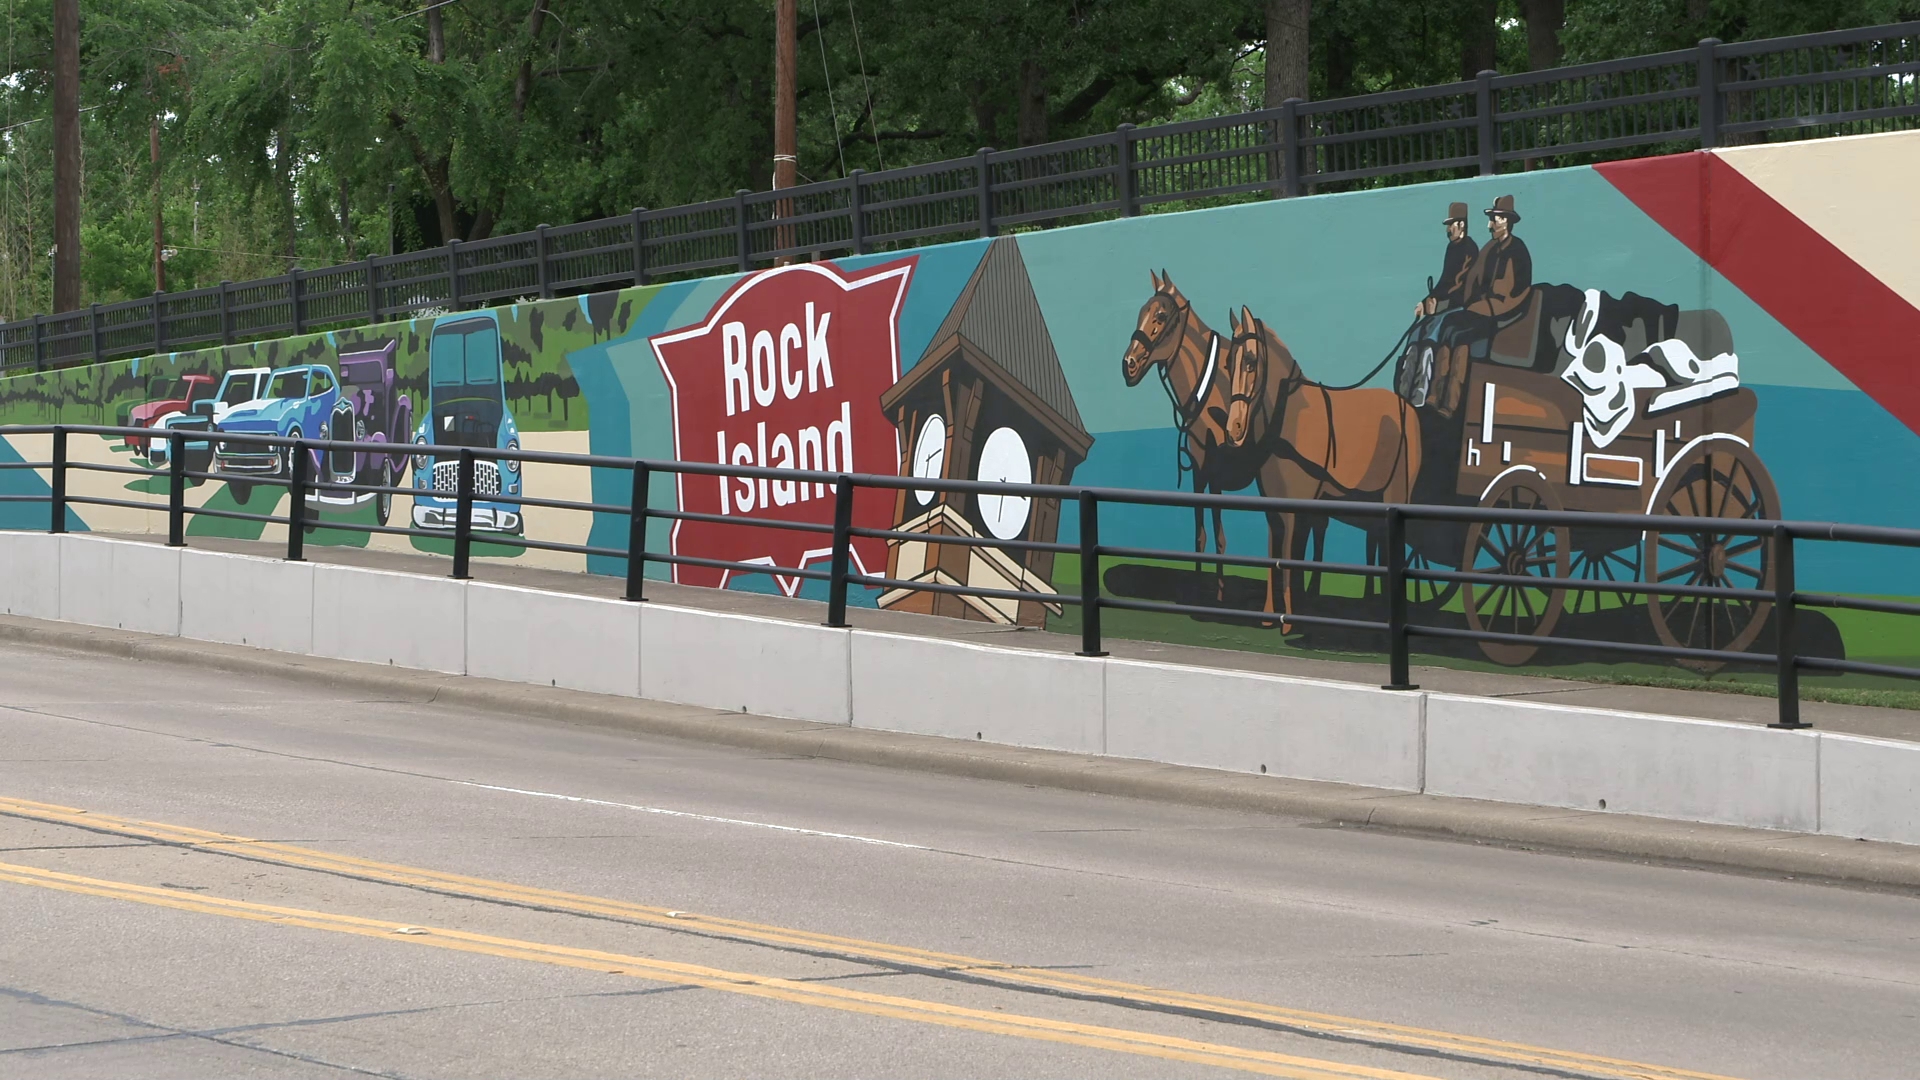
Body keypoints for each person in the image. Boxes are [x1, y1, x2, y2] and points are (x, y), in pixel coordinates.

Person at [1429, 194, 1532, 417]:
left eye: (1494, 219)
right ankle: (1434, 396)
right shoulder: (1490, 249)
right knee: (1447, 326)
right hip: (1484, 308)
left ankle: (1451, 403)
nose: (1490, 225)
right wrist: (1472, 303)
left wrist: (1480, 306)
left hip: (1503, 313)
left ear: (1506, 221)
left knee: (1460, 334)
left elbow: (1510, 294)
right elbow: (1473, 281)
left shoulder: (1517, 250)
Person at [1413, 202, 1478, 319]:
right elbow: (1445, 280)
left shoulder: (1470, 248)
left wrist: (1438, 305)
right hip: (1447, 304)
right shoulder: (1452, 248)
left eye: (1451, 225)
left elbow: (1461, 285)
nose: (1448, 230)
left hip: (1462, 306)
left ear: (1461, 224)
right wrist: (1426, 302)